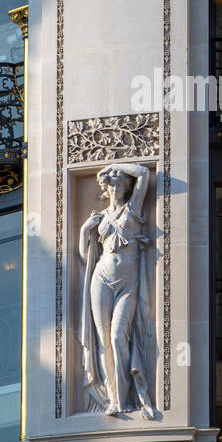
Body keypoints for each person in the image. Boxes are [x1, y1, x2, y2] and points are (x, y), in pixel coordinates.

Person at [78, 163, 156, 418]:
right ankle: (113, 400)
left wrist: (114, 165)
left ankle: (125, 397)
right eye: (111, 184)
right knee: (103, 341)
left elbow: (143, 173)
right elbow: (84, 255)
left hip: (127, 281)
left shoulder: (133, 208)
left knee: (117, 337)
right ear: (105, 188)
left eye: (120, 183)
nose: (115, 188)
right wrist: (84, 229)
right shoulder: (99, 217)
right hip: (100, 277)